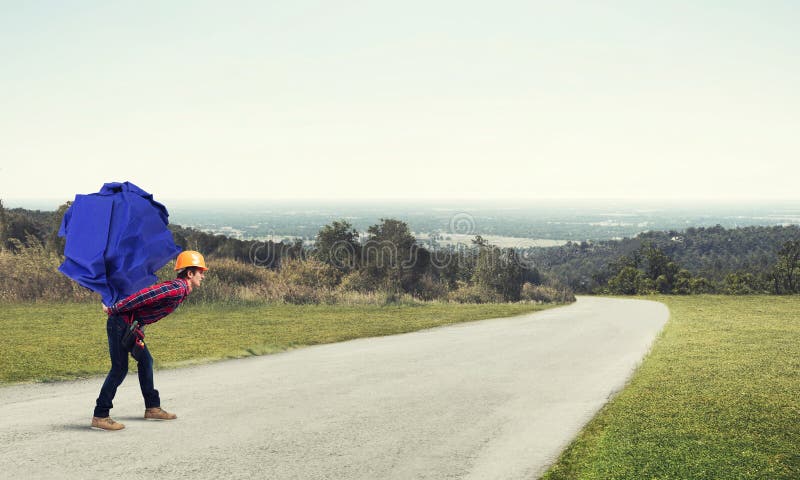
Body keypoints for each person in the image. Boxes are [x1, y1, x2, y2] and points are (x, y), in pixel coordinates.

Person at [90, 250, 208, 431]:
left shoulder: (181, 290)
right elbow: (145, 296)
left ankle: (152, 408)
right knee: (119, 369)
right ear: (190, 273)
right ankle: (100, 415)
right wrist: (114, 309)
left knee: (146, 361)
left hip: (130, 325)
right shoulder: (177, 288)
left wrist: (138, 327)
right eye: (201, 271)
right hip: (120, 322)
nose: (203, 275)